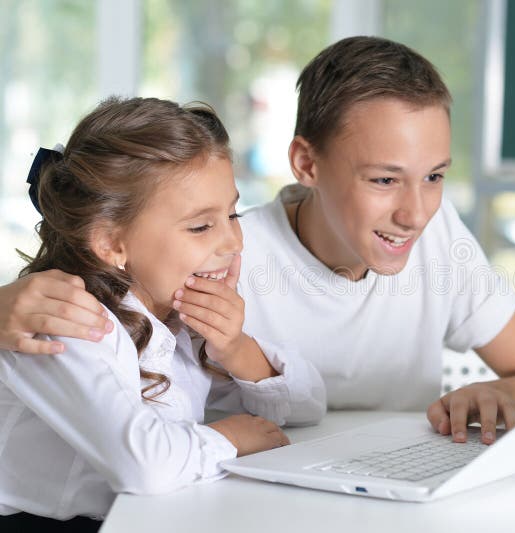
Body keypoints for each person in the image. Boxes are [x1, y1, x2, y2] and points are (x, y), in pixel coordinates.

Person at [0, 36, 515, 447]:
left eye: (436, 175)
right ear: (306, 162)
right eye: (383, 179)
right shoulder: (221, 255)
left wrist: (506, 395)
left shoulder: (441, 238)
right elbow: (108, 336)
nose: (416, 212)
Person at [0, 97, 325, 530]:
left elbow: (308, 405)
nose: (233, 242)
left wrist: (234, 347)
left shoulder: (172, 313)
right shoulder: (68, 320)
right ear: (112, 244)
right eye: (200, 226)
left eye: (233, 213)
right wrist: (228, 438)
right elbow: (144, 465)